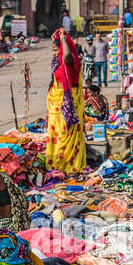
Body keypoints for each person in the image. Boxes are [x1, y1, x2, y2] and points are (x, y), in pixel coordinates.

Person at [44, 29, 85, 174]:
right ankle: (56, 164)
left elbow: (66, 54)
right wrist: (55, 39)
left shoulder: (70, 62)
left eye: (56, 50)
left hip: (67, 105)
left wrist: (63, 38)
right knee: (56, 136)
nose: (54, 53)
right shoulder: (58, 63)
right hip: (55, 107)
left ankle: (69, 165)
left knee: (66, 135)